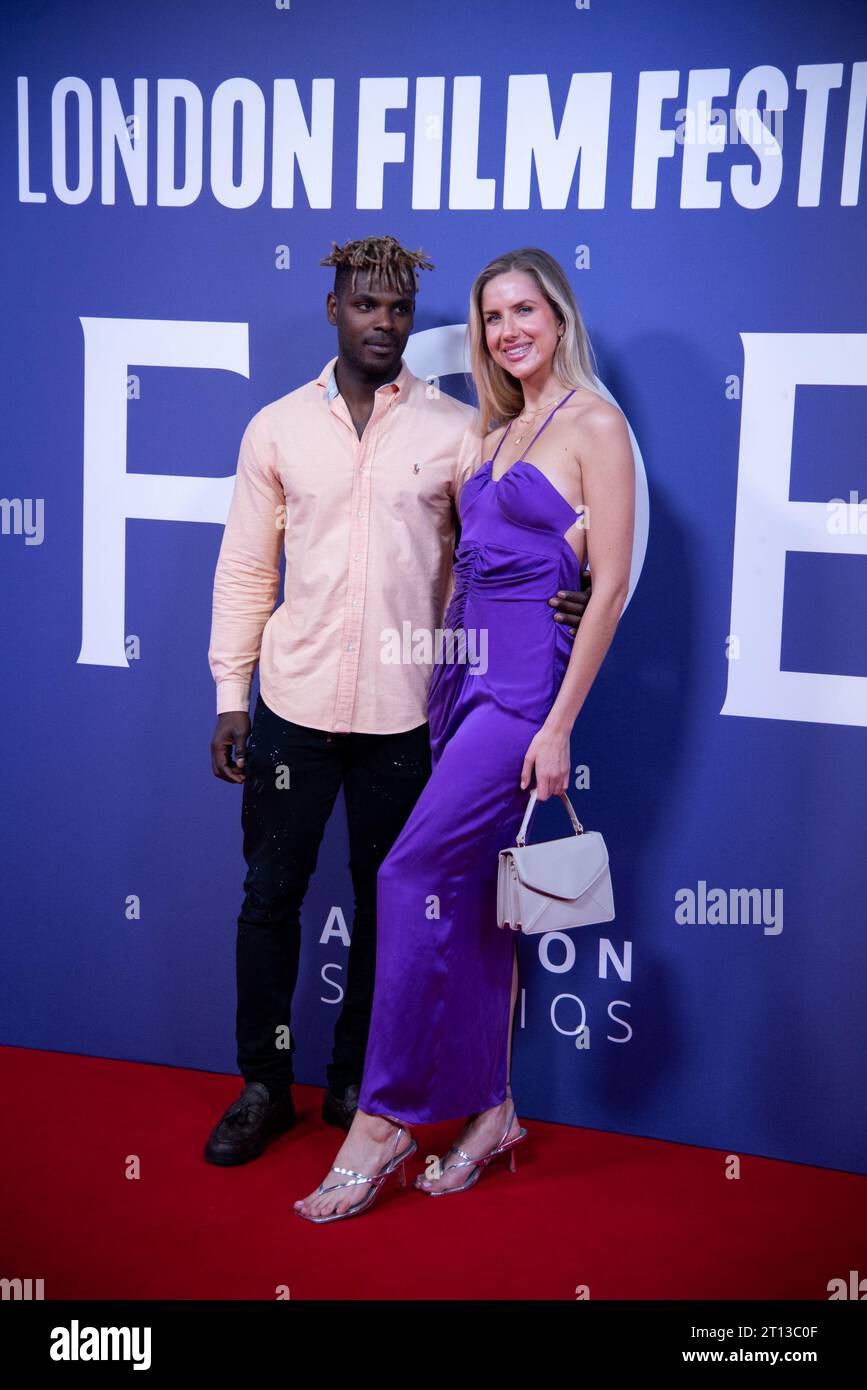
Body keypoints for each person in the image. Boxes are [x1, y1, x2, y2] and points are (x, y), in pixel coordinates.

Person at [204, 236, 590, 1166]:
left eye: (399, 308)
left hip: (408, 716)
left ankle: (352, 1082)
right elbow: (249, 568)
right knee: (270, 898)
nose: (384, 322)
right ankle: (262, 1082)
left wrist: (564, 586)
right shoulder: (276, 428)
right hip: (293, 703)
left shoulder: (455, 431)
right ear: (333, 309)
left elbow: (503, 549)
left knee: (391, 907)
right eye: (365, 305)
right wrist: (230, 695)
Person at [295, 247, 635, 1222]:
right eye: (492, 317)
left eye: (525, 310)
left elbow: (605, 584)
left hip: (526, 693)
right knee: (485, 905)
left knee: (407, 876)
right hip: (460, 684)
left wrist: (561, 719)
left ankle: (388, 1116)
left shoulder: (596, 426)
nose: (508, 330)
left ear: (560, 317)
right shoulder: (494, 429)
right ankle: (491, 1110)